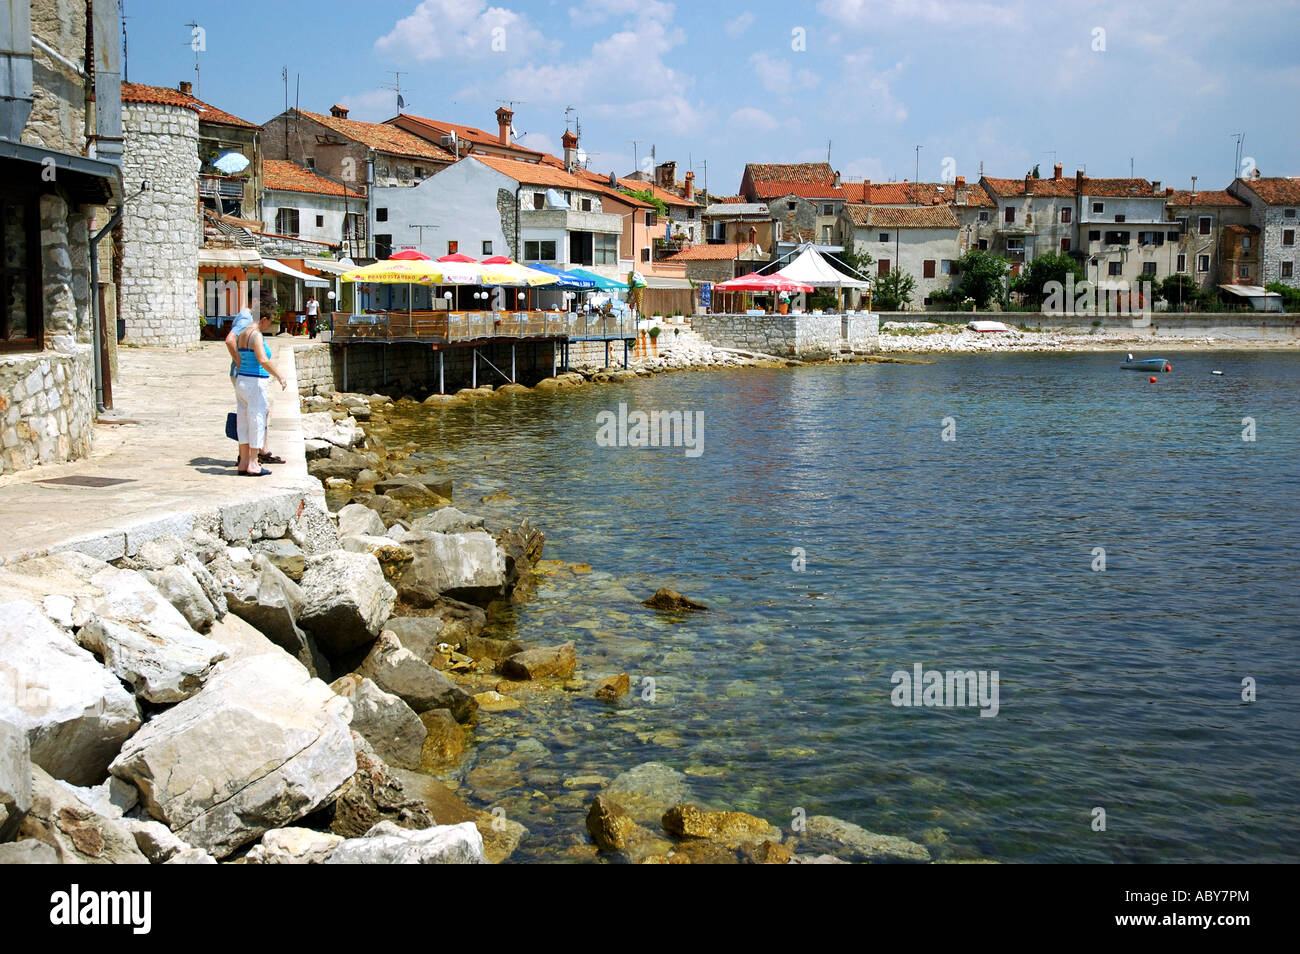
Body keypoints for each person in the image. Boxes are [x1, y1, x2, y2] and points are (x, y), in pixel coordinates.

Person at [225, 309, 285, 466]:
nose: (269, 326)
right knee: (257, 420)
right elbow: (263, 359)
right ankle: (253, 463)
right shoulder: (255, 335)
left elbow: (237, 349)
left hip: (242, 380)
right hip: (255, 382)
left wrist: (239, 363)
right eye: (269, 322)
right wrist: (279, 376)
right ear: (263, 319)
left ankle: (243, 463)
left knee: (243, 421)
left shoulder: (243, 333)